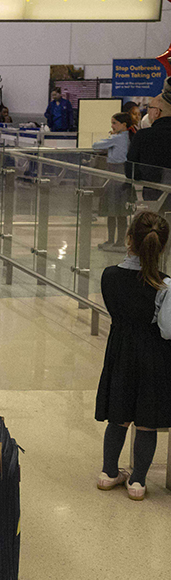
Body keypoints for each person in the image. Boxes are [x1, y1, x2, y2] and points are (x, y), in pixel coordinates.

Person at [95, 212, 171, 502]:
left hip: (120, 351)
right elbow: (167, 330)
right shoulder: (164, 285)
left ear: (129, 240)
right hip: (153, 356)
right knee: (146, 422)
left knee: (119, 416)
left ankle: (107, 473)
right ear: (161, 247)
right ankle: (137, 481)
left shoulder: (109, 276)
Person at [93, 113, 137, 251]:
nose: (112, 126)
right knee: (120, 212)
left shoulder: (117, 138)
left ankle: (113, 240)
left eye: (114, 123)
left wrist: (111, 136)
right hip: (122, 175)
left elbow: (96, 145)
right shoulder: (129, 138)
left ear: (123, 125)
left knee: (112, 211)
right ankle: (118, 241)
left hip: (114, 176)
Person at [127, 93, 171, 211]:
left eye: (149, 108)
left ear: (157, 112)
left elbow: (131, 171)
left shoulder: (143, 136)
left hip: (154, 197)